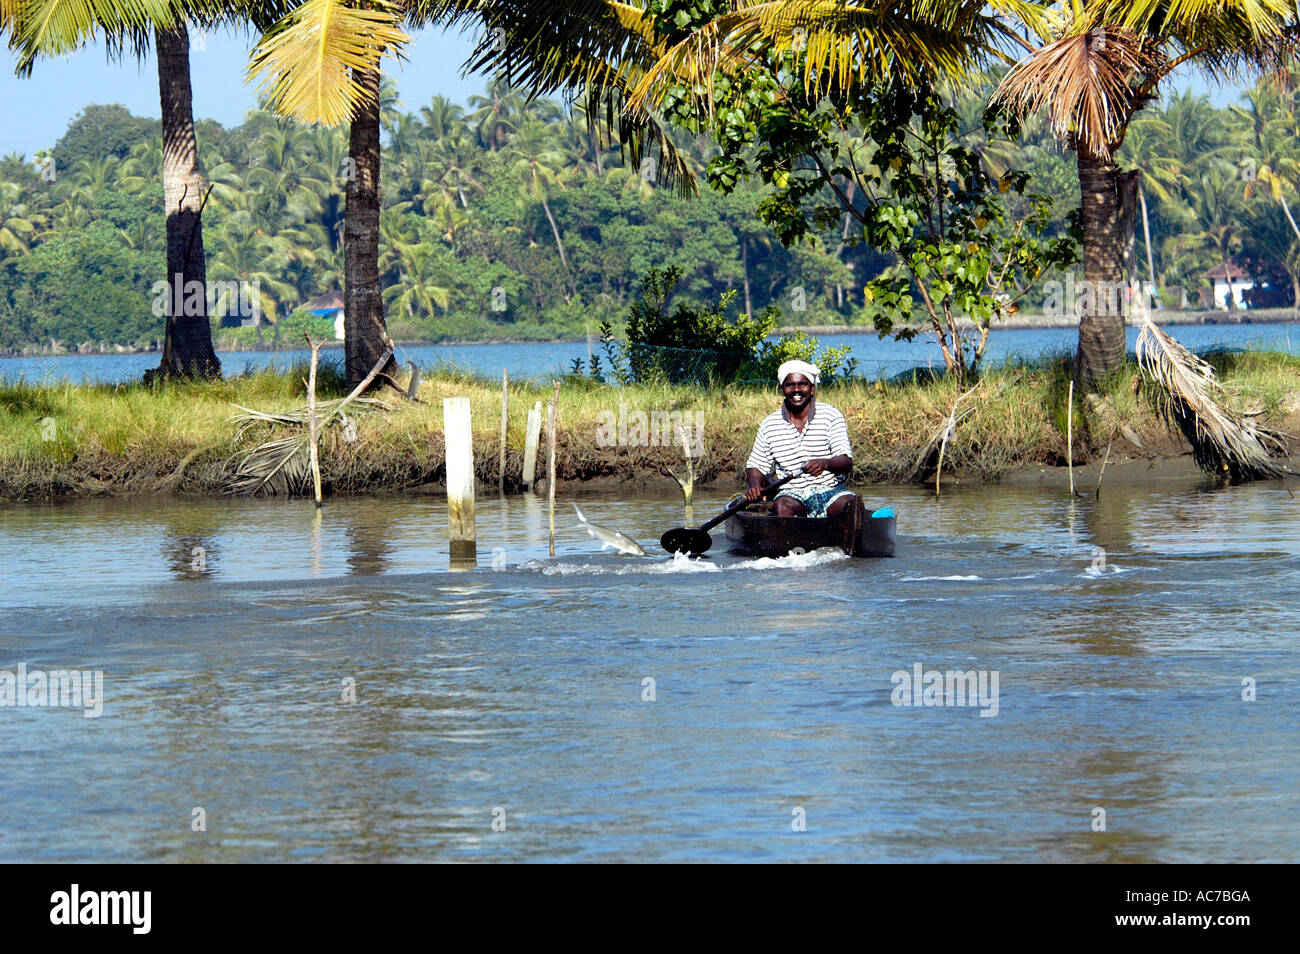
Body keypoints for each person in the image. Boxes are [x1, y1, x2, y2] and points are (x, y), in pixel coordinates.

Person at [744, 360, 861, 519]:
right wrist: (755, 486)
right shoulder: (769, 424)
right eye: (790, 385)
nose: (796, 390)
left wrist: (825, 463)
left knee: (850, 505)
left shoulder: (831, 415)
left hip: (831, 490)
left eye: (802, 384)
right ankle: (789, 542)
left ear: (812, 388)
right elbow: (756, 466)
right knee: (782, 506)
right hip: (791, 494)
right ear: (782, 390)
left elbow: (846, 462)